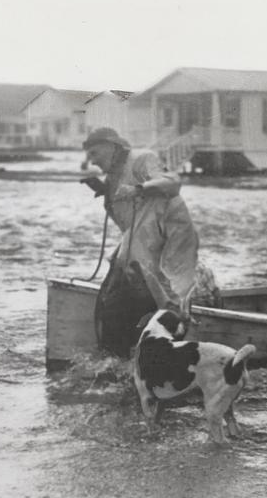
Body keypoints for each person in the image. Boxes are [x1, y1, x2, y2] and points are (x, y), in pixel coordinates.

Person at [81, 127, 200, 357]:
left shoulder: (142, 159)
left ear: (112, 148)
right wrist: (106, 192)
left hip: (171, 229)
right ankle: (124, 349)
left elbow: (172, 183)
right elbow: (125, 223)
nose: (92, 161)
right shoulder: (112, 178)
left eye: (95, 154)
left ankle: (174, 338)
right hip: (143, 234)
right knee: (117, 271)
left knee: (162, 285)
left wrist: (139, 188)